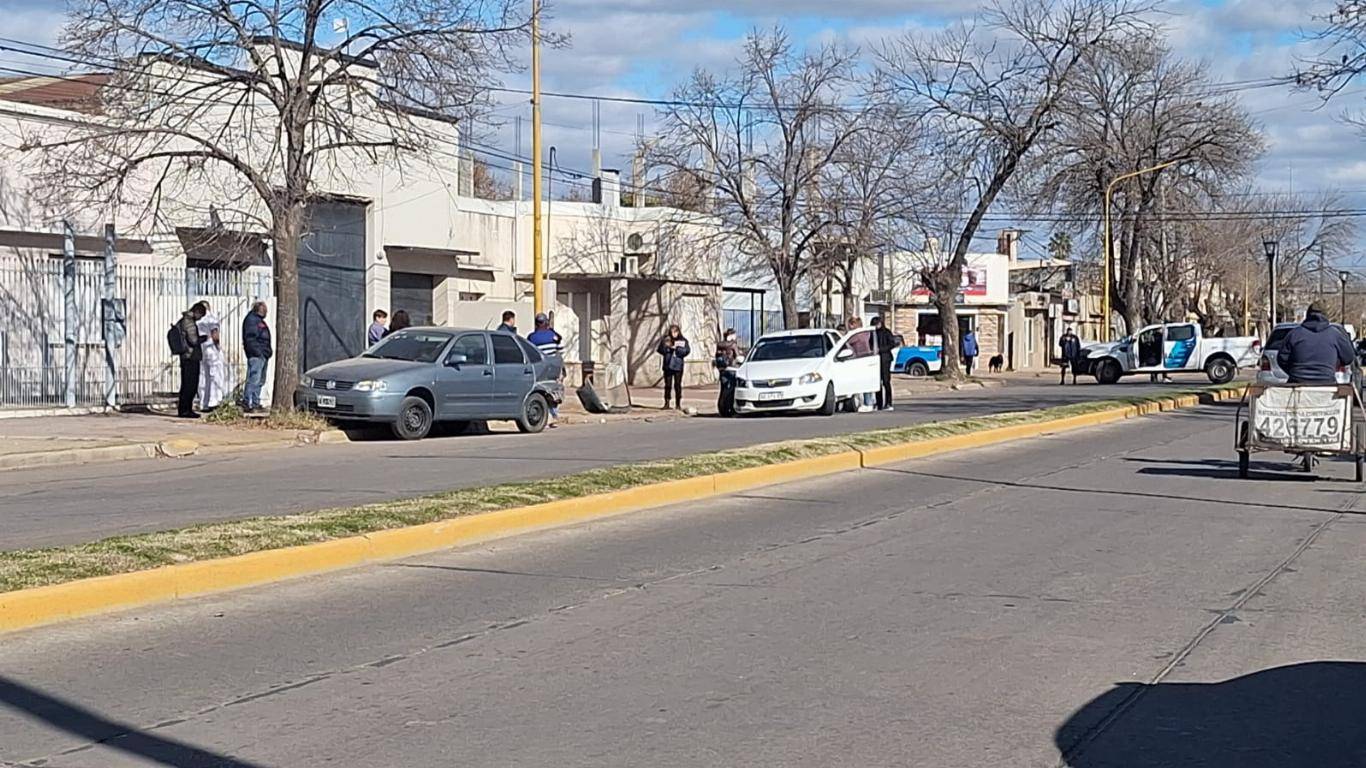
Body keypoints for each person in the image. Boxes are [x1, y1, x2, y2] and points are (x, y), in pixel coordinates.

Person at [1278, 302, 1354, 385]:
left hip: (1297, 382)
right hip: (1326, 382)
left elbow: (1281, 358)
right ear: (1325, 316)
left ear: (1307, 315)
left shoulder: (1294, 334)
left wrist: (1295, 371)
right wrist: (1333, 364)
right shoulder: (1335, 334)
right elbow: (1348, 358)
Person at [527, 313, 564, 428]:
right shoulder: (552, 335)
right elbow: (560, 349)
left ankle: (549, 416)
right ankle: (553, 415)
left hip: (541, 368)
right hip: (554, 368)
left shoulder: (532, 337)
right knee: (554, 392)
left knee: (543, 391)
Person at [196, 302, 232, 410]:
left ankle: (203, 402)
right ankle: (213, 401)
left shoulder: (197, 320)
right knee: (214, 375)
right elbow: (215, 333)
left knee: (202, 376)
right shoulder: (211, 318)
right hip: (211, 350)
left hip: (200, 349)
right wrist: (218, 346)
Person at [175, 302, 207, 418]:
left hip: (187, 356)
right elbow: (193, 340)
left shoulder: (185, 320)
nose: (200, 318)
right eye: (201, 315)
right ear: (197, 312)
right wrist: (204, 338)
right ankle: (185, 410)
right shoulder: (189, 322)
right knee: (190, 384)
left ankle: (186, 409)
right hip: (190, 356)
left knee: (188, 384)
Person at [241, 301, 272, 412]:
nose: (266, 312)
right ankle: (247, 402)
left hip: (262, 354)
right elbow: (250, 339)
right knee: (254, 379)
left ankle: (255, 402)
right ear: (259, 309)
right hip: (257, 355)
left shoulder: (258, 321)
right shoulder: (252, 321)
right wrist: (257, 352)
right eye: (264, 310)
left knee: (260, 380)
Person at [846, 317, 876, 413]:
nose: (849, 327)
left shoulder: (856, 335)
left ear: (854, 325)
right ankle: (869, 402)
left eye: (851, 325)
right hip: (865, 359)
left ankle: (867, 403)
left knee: (863, 383)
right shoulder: (866, 333)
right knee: (866, 382)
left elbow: (846, 342)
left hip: (860, 360)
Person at [657, 324, 690, 409]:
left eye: (675, 332)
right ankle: (667, 402)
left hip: (678, 365)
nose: (674, 334)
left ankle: (678, 404)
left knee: (677, 385)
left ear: (678, 332)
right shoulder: (666, 339)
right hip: (668, 365)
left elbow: (687, 351)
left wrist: (677, 349)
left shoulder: (683, 340)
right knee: (668, 385)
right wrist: (668, 348)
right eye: (672, 332)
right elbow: (660, 350)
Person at [871, 316, 896, 411]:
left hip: (886, 359)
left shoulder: (887, 332)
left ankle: (889, 403)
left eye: (877, 324)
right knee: (877, 383)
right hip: (876, 360)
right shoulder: (872, 333)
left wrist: (881, 349)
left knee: (886, 381)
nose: (876, 326)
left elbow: (892, 344)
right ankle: (879, 403)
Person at [714, 328, 740, 417]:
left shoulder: (720, 344)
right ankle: (729, 408)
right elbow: (737, 356)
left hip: (722, 369)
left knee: (723, 389)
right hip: (732, 369)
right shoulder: (733, 345)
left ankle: (721, 408)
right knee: (731, 390)